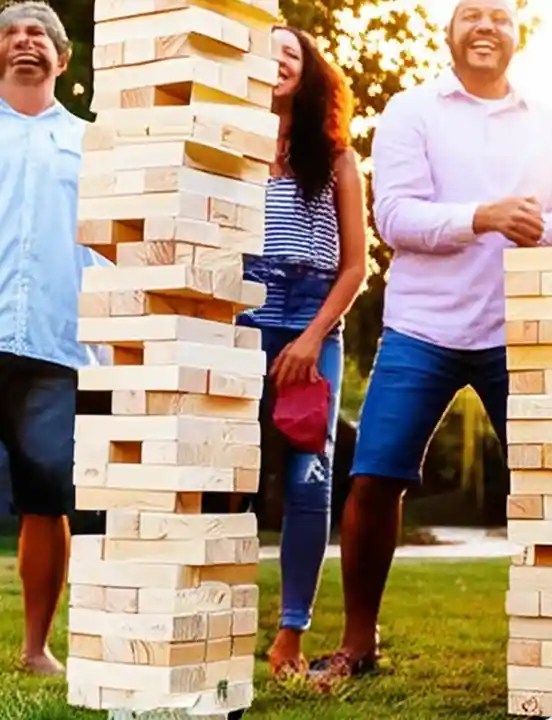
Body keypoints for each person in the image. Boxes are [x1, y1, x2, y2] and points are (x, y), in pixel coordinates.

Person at [313, 0, 552, 677]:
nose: (486, 27)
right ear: (451, 31)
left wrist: (541, 230)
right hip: (424, 327)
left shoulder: (551, 123)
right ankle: (360, 642)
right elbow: (396, 217)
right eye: (471, 14)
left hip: (522, 329)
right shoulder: (414, 111)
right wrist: (483, 216)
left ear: (516, 35)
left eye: (499, 16)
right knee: (375, 478)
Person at [230, 25, 368, 678]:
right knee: (222, 478)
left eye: (293, 54)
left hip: (313, 328)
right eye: (269, 53)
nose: (280, 63)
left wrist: (312, 339)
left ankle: (290, 636)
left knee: (309, 483)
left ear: (310, 73)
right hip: (240, 321)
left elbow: (355, 268)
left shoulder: (337, 159)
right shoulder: (229, 150)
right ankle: (216, 620)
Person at [0, 0, 107, 675]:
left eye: (38, 32)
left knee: (48, 500)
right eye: (9, 33)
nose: (22, 41)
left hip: (59, 344)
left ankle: (36, 648)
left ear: (63, 59)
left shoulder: (98, 145)